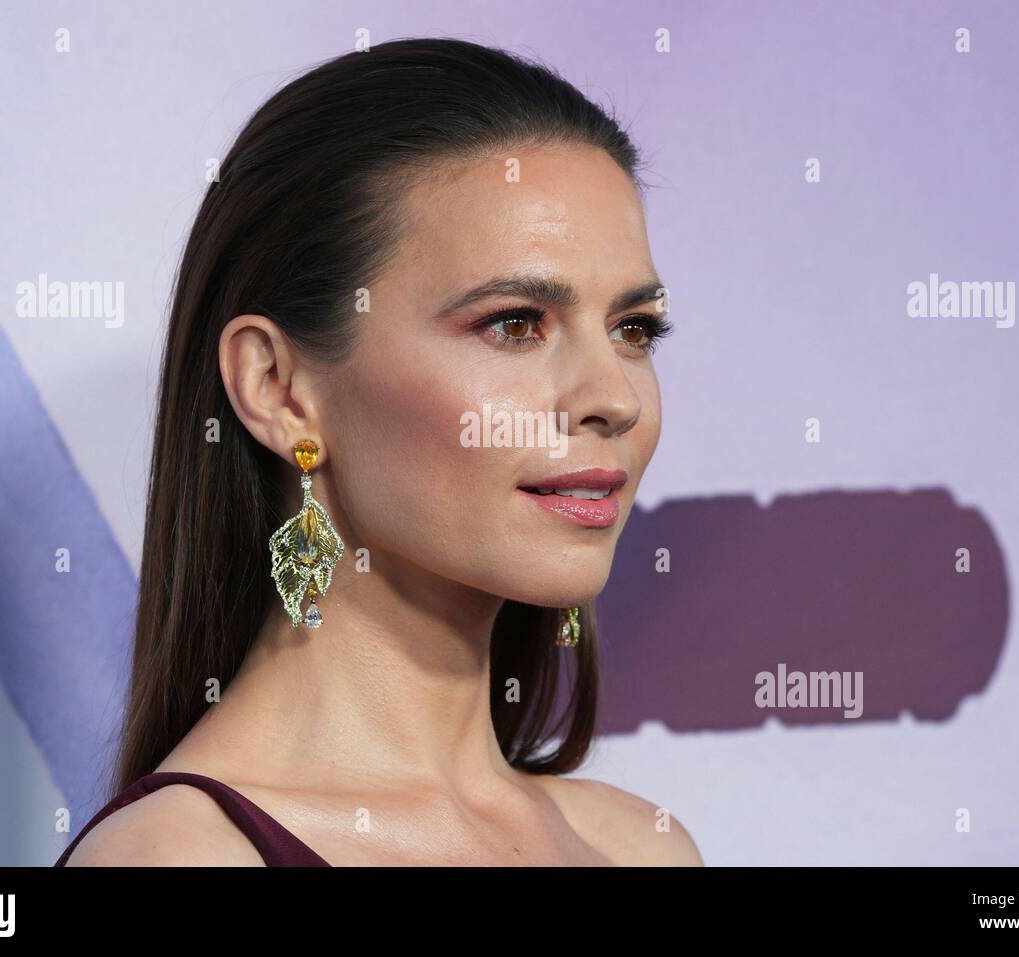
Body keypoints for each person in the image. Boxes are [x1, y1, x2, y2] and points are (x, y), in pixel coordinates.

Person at [60, 36, 701, 866]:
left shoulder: (640, 846)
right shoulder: (178, 856)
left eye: (634, 329)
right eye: (513, 324)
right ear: (279, 390)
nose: (614, 397)